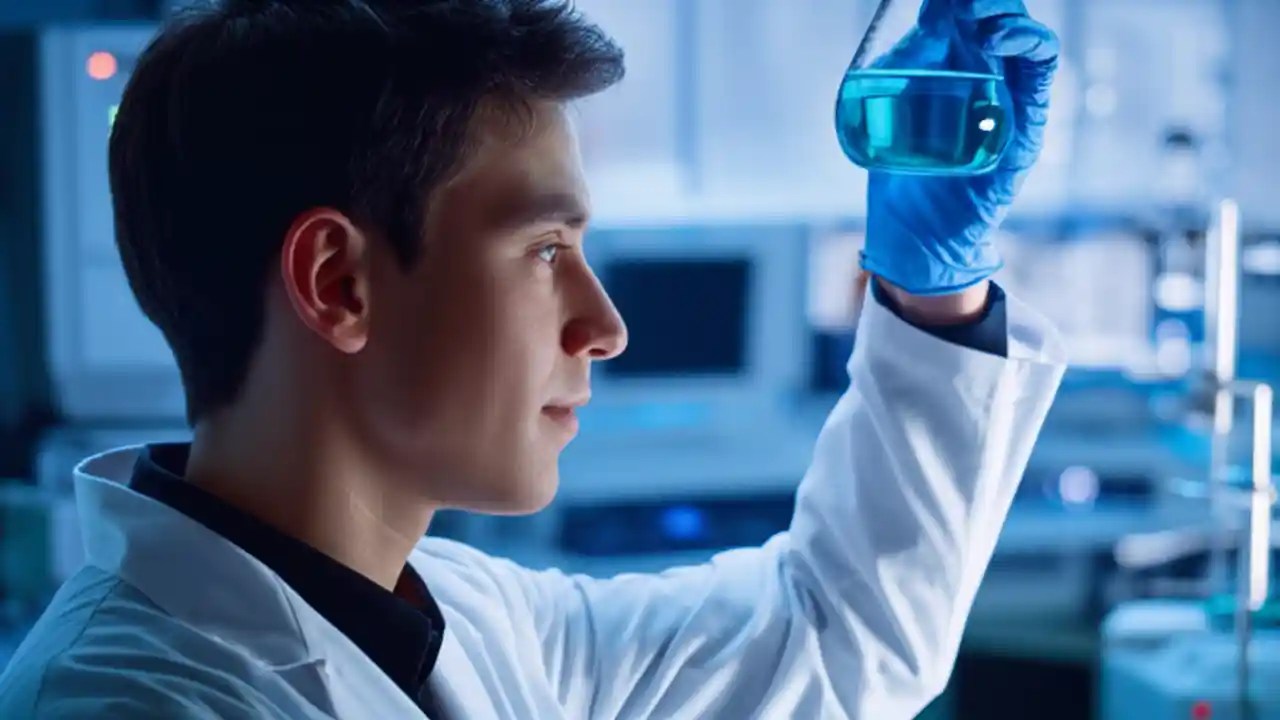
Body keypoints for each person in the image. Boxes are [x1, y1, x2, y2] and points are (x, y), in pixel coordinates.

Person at [0, 0, 1064, 717]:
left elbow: (836, 642)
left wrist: (932, 288)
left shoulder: (460, 616)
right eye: (545, 248)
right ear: (338, 283)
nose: (605, 326)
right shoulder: (132, 700)